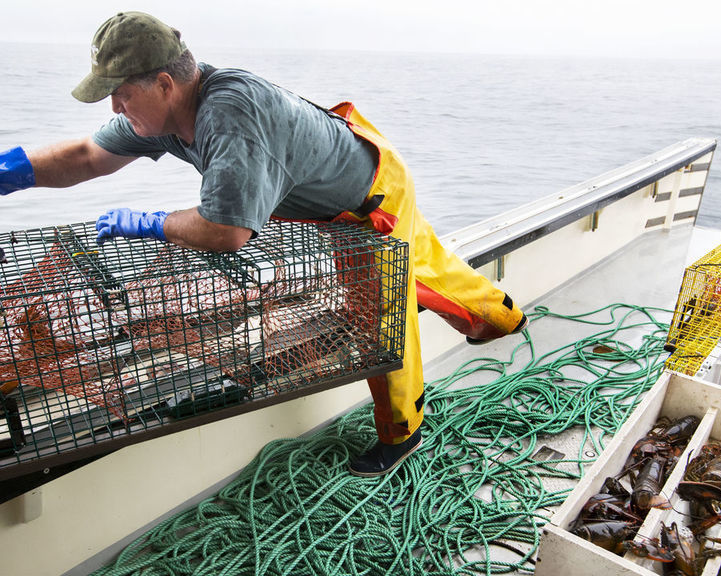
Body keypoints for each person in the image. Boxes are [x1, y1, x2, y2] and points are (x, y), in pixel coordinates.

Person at [0, 12, 528, 477]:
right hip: (347, 175)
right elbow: (86, 156)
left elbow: (226, 232)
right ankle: (504, 316)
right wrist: (10, 172)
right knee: (429, 268)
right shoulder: (161, 114)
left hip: (372, 202)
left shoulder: (230, 116)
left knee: (383, 316)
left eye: (121, 93)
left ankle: (403, 433)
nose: (114, 106)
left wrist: (153, 222)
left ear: (164, 83)